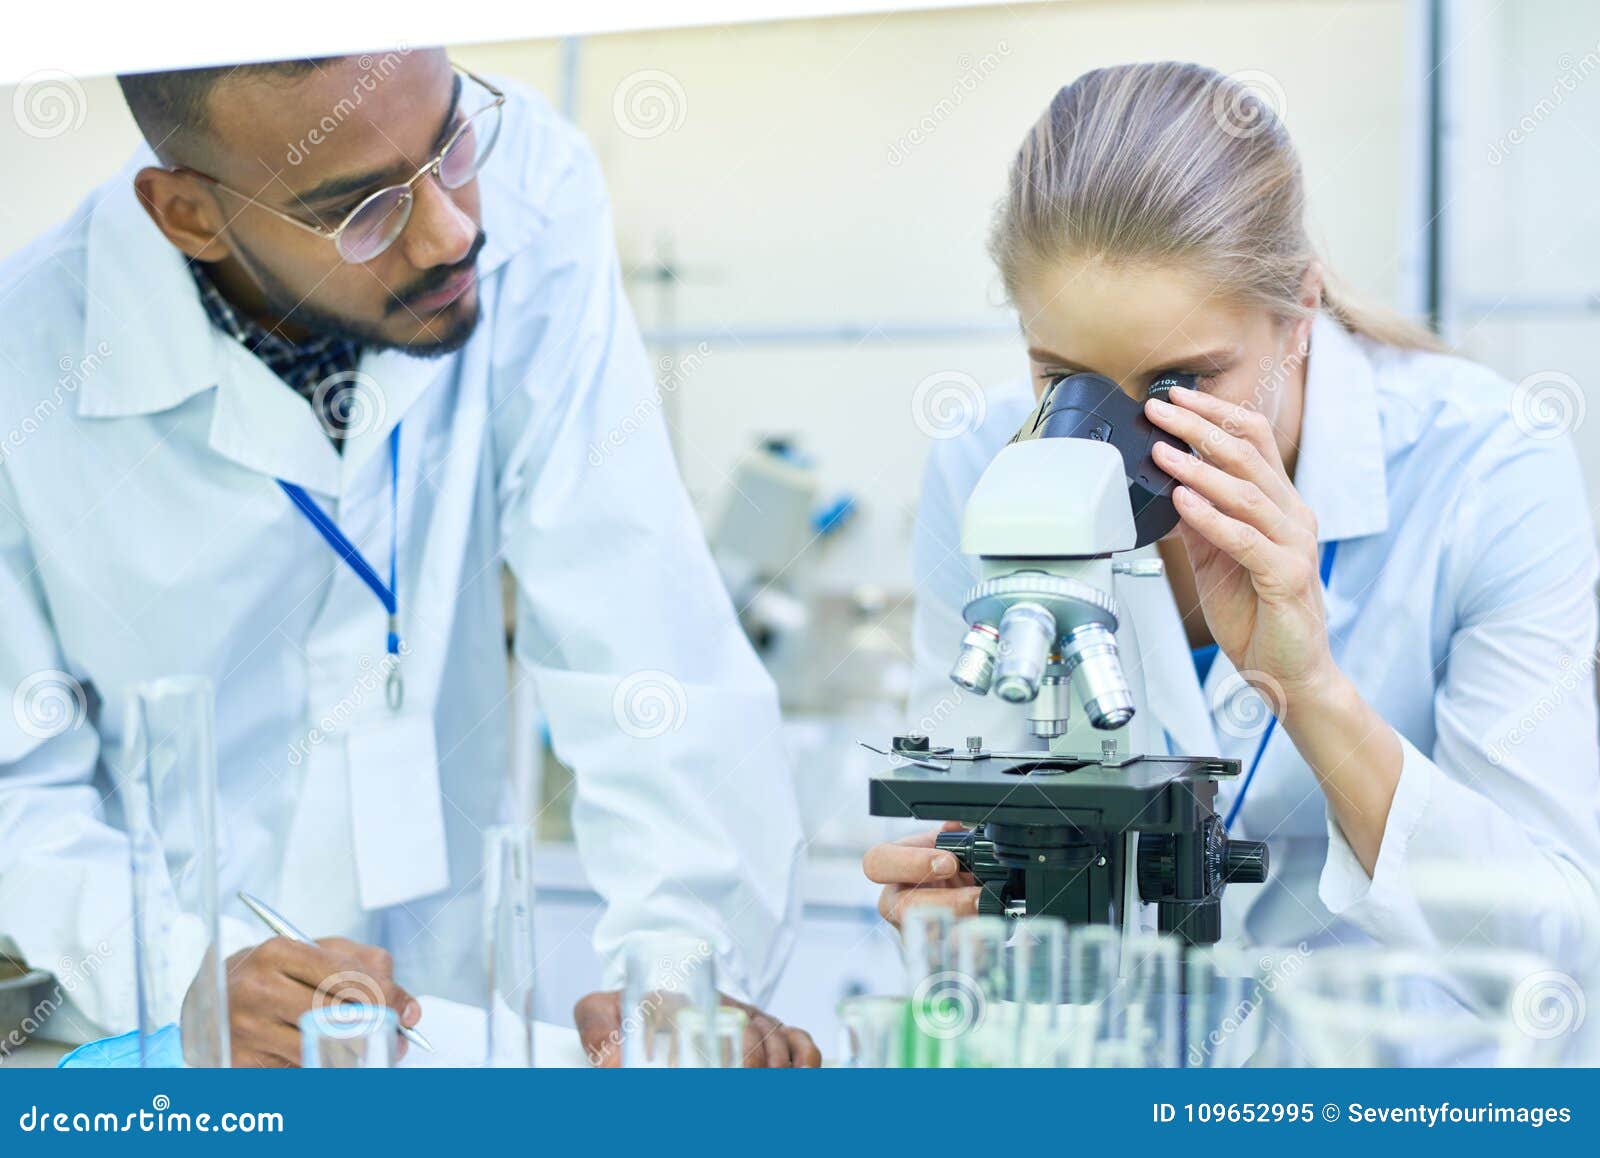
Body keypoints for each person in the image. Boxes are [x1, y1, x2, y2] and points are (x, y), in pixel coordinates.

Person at [0, 48, 818, 1067]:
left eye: (452, 144)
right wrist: (181, 976)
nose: (451, 227)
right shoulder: (24, 356)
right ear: (189, 217)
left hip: (449, 1004)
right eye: (361, 210)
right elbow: (16, 787)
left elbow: (639, 618)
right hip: (176, 1037)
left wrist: (685, 976)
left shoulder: (530, 194)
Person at [865, 62, 1600, 974]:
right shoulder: (983, 464)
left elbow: (1559, 947)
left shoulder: (1484, 465)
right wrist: (958, 911)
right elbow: (970, 817)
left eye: (1184, 385)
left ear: (1298, 315)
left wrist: (1314, 692)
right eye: (1065, 382)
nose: (1124, 446)